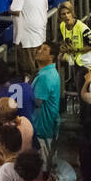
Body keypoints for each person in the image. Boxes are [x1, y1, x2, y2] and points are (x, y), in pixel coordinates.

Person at [10, 0, 49, 78]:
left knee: (28, 73)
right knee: (39, 69)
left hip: (26, 37)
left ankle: (31, 95)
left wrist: (9, 9)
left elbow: (15, 9)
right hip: (40, 34)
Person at [31, 41, 61, 171]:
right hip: (48, 127)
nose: (39, 51)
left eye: (44, 50)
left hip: (42, 129)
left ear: (51, 56)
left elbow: (37, 102)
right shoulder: (50, 73)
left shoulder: (45, 77)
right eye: (39, 48)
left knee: (43, 171)